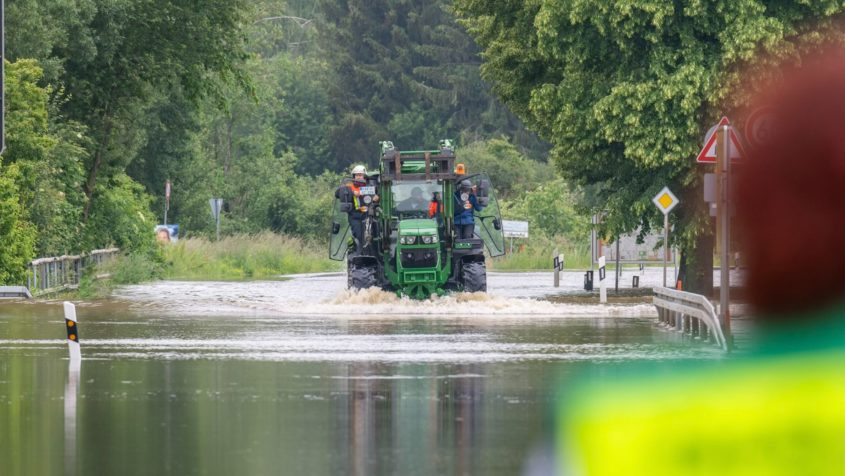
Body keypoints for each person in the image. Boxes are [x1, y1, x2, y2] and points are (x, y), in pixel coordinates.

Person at [345, 165, 378, 254]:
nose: (359, 177)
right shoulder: (349, 186)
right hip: (355, 216)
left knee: (375, 235)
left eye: (361, 175)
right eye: (357, 175)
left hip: (369, 215)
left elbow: (380, 194)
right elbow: (338, 193)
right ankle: (361, 253)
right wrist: (352, 193)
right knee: (360, 235)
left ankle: (374, 254)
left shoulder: (371, 186)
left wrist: (377, 197)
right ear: (354, 176)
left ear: (364, 176)